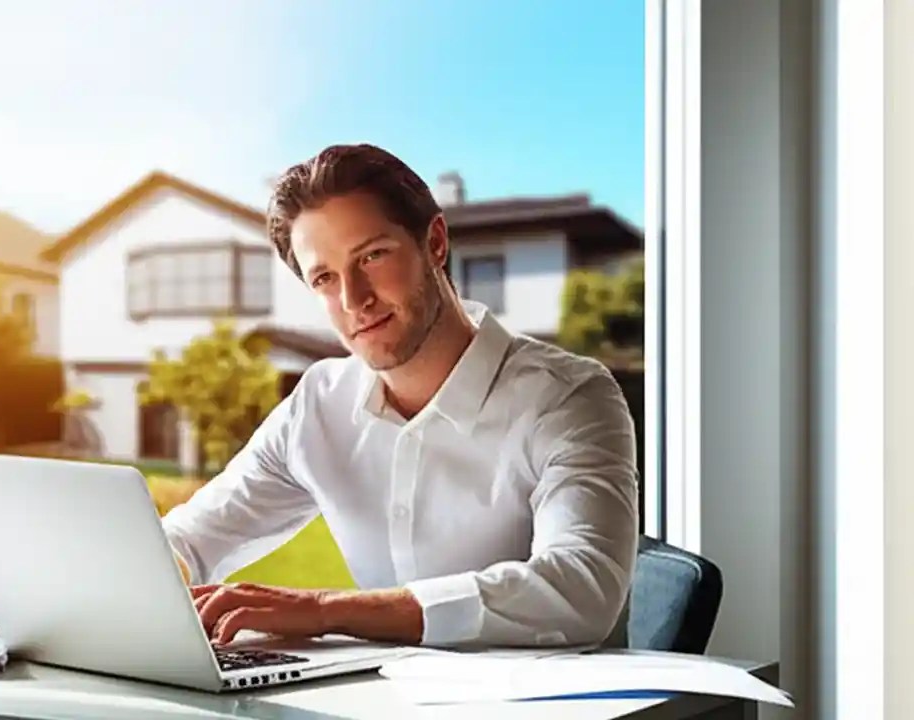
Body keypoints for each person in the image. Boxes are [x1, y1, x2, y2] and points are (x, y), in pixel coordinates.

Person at [162, 143, 639, 650]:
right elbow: (187, 540)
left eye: (372, 256)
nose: (354, 300)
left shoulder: (569, 398)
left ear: (434, 242)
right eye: (324, 277)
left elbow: (581, 589)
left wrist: (323, 611)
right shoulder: (320, 404)